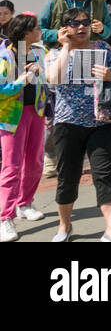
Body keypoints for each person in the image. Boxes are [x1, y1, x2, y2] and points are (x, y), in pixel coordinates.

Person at [44, 6, 111, 242]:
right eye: (75, 24)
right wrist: (66, 48)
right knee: (68, 176)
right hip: (68, 122)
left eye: (85, 23)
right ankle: (64, 227)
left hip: (101, 120)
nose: (81, 27)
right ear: (64, 28)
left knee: (105, 174)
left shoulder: (102, 48)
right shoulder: (54, 53)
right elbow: (53, 80)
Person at [1, 13, 47, 243]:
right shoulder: (5, 55)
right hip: (11, 116)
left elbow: (48, 80)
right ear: (26, 32)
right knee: (12, 166)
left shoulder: (39, 51)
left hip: (36, 112)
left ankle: (25, 203)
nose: (40, 31)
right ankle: (5, 218)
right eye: (37, 28)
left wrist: (40, 73)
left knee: (35, 162)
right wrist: (24, 79)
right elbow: (2, 89)